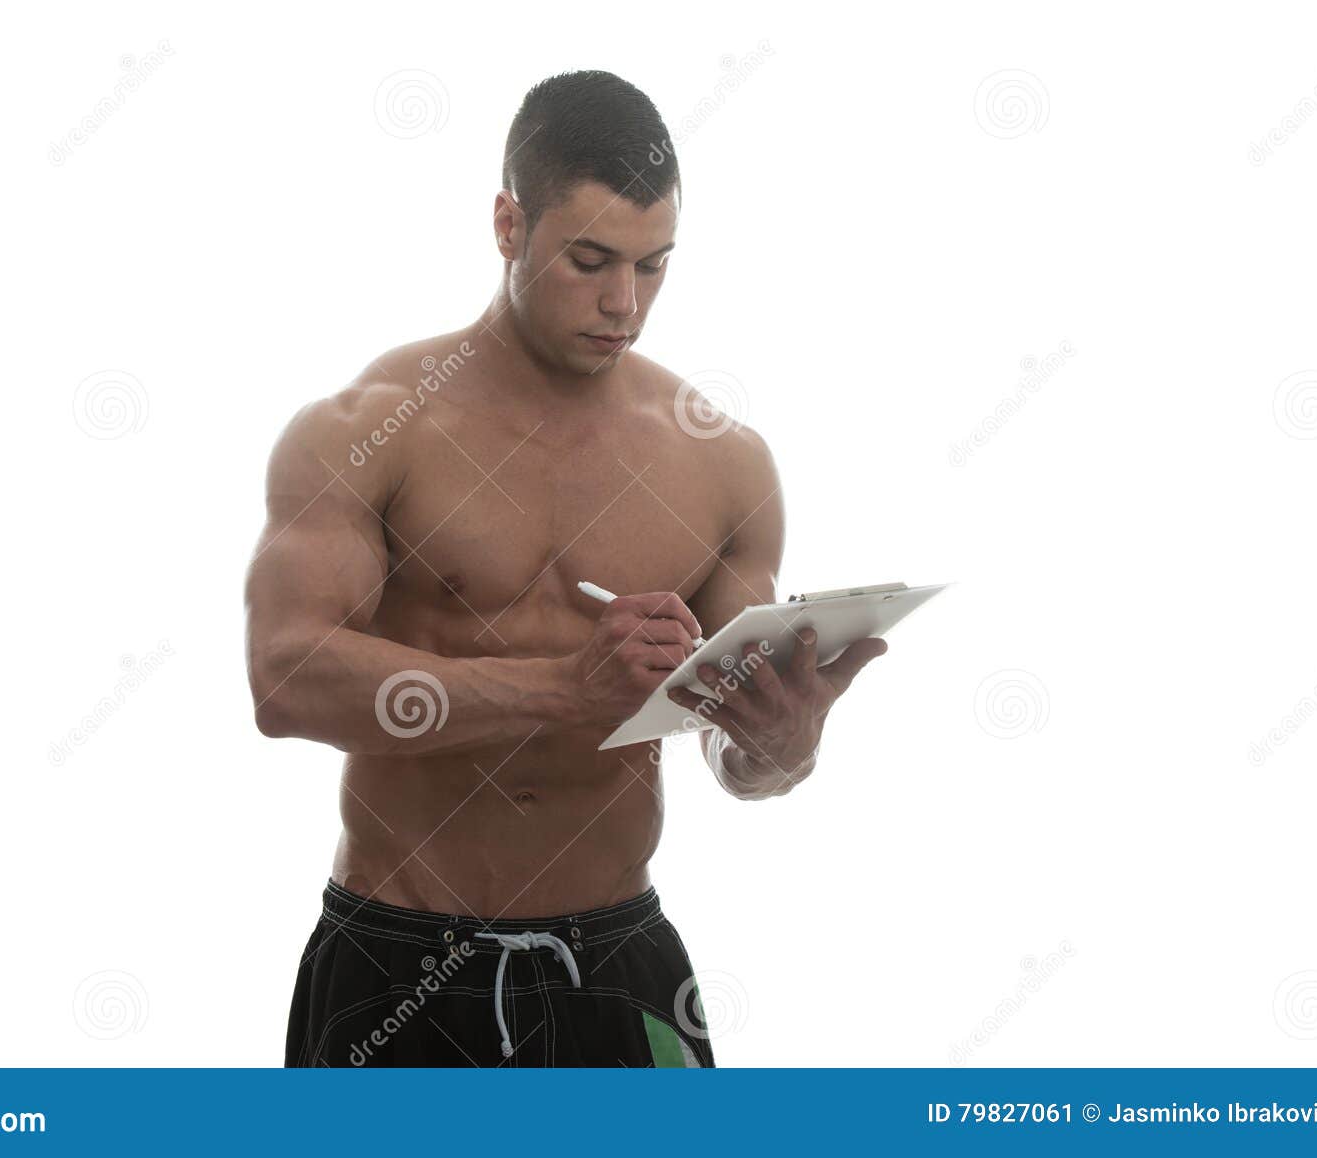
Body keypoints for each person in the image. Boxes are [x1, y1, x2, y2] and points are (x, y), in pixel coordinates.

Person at [245, 70, 888, 1067]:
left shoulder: (722, 462)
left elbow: (736, 755)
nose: (624, 302)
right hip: (397, 964)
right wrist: (561, 688)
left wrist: (784, 742)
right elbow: (285, 681)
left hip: (620, 961)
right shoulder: (371, 429)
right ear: (509, 223)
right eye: (589, 260)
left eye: (654, 265)